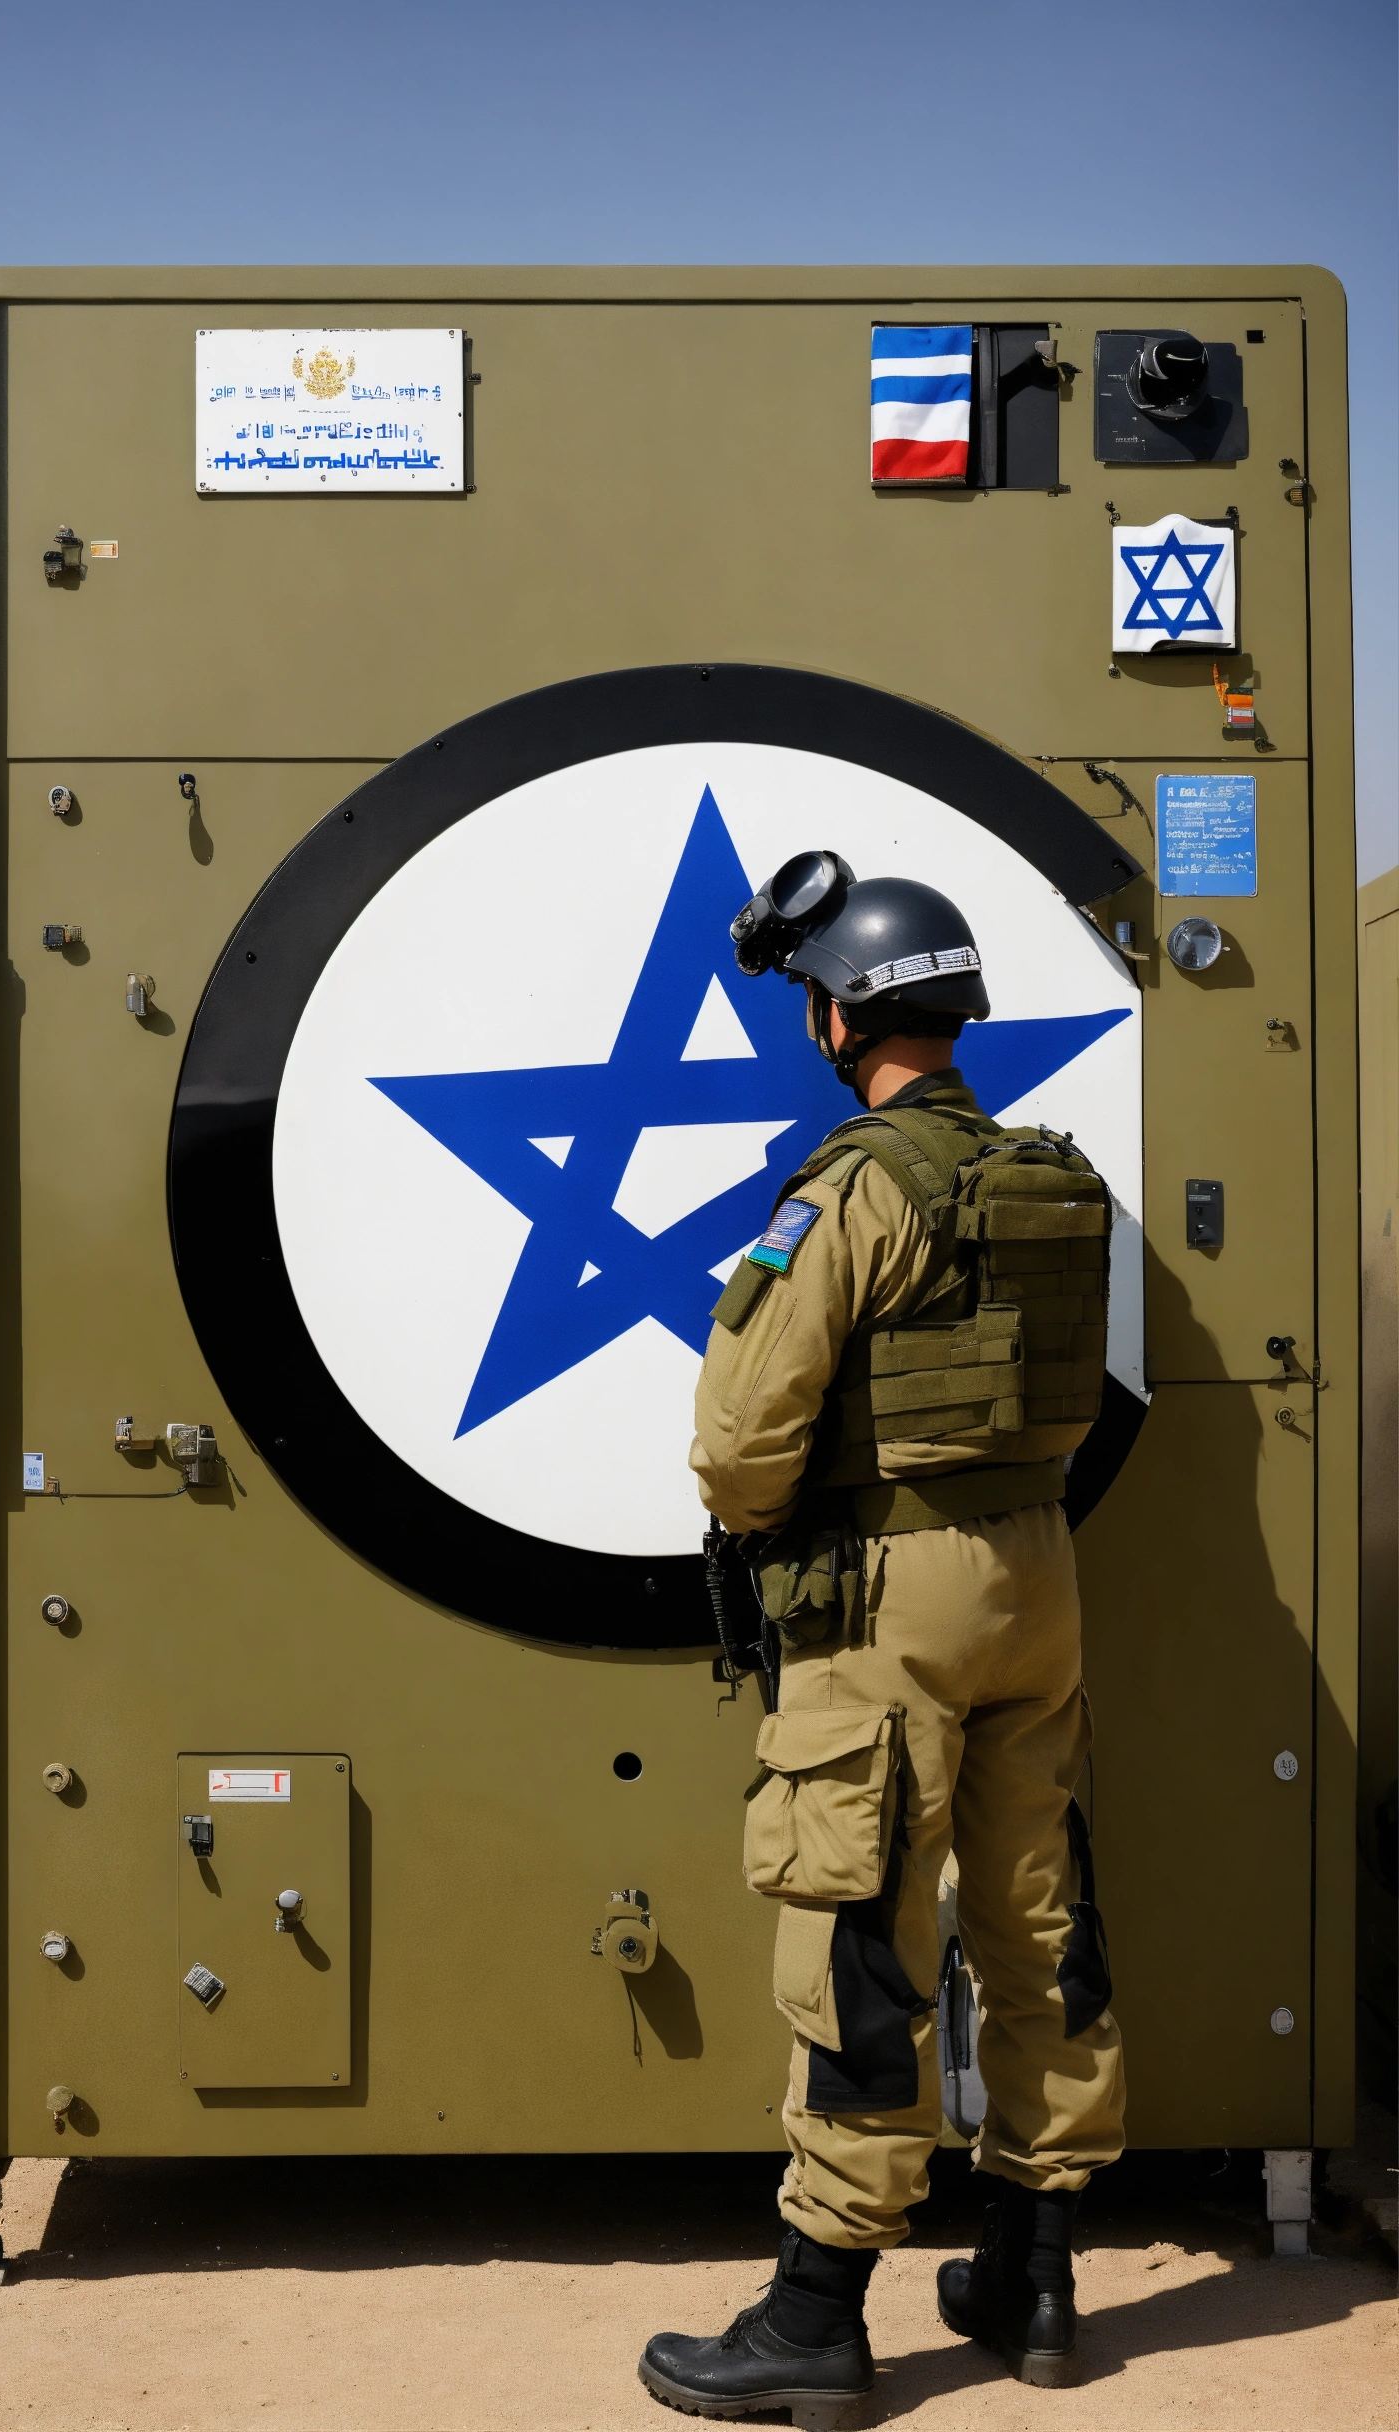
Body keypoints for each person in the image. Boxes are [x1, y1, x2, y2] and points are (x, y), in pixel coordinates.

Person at [639, 853, 1126, 2426]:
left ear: (843, 1017)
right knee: (1037, 1921)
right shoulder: (1052, 1175)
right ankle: (1035, 2274)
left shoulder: (854, 1191)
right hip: (1038, 1579)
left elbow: (739, 1445)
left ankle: (817, 2314)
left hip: (889, 1598)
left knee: (856, 1936)